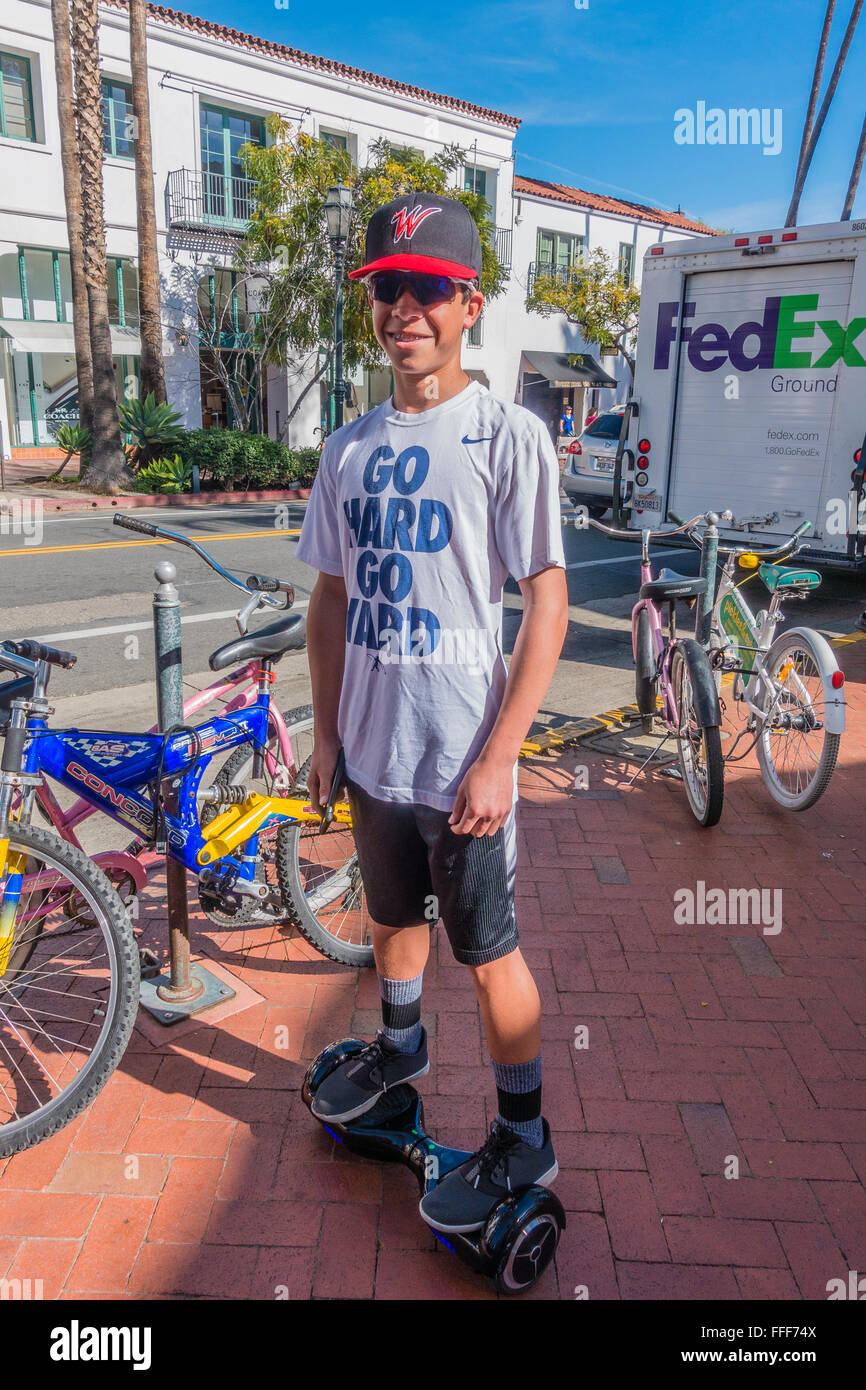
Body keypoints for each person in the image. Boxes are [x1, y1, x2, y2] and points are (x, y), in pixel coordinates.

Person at [294, 191, 569, 1235]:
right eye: (386, 290)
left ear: (467, 308)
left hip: (464, 766)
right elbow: (330, 597)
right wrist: (325, 733)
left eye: (427, 290)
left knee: (489, 952)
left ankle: (522, 1132)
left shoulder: (507, 437)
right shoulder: (347, 448)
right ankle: (400, 1048)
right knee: (390, 920)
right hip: (374, 753)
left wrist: (502, 755)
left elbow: (546, 596)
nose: (403, 308)